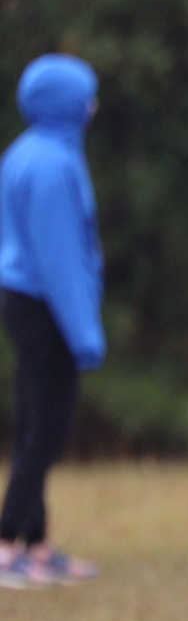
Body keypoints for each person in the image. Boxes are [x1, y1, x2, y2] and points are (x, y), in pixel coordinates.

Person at [0, 55, 105, 588]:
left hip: (25, 299)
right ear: (68, 102)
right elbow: (59, 258)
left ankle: (34, 544)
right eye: (87, 96)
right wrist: (84, 333)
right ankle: (5, 545)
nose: (94, 106)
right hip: (44, 305)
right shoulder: (51, 165)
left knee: (33, 423)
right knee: (48, 430)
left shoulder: (31, 150)